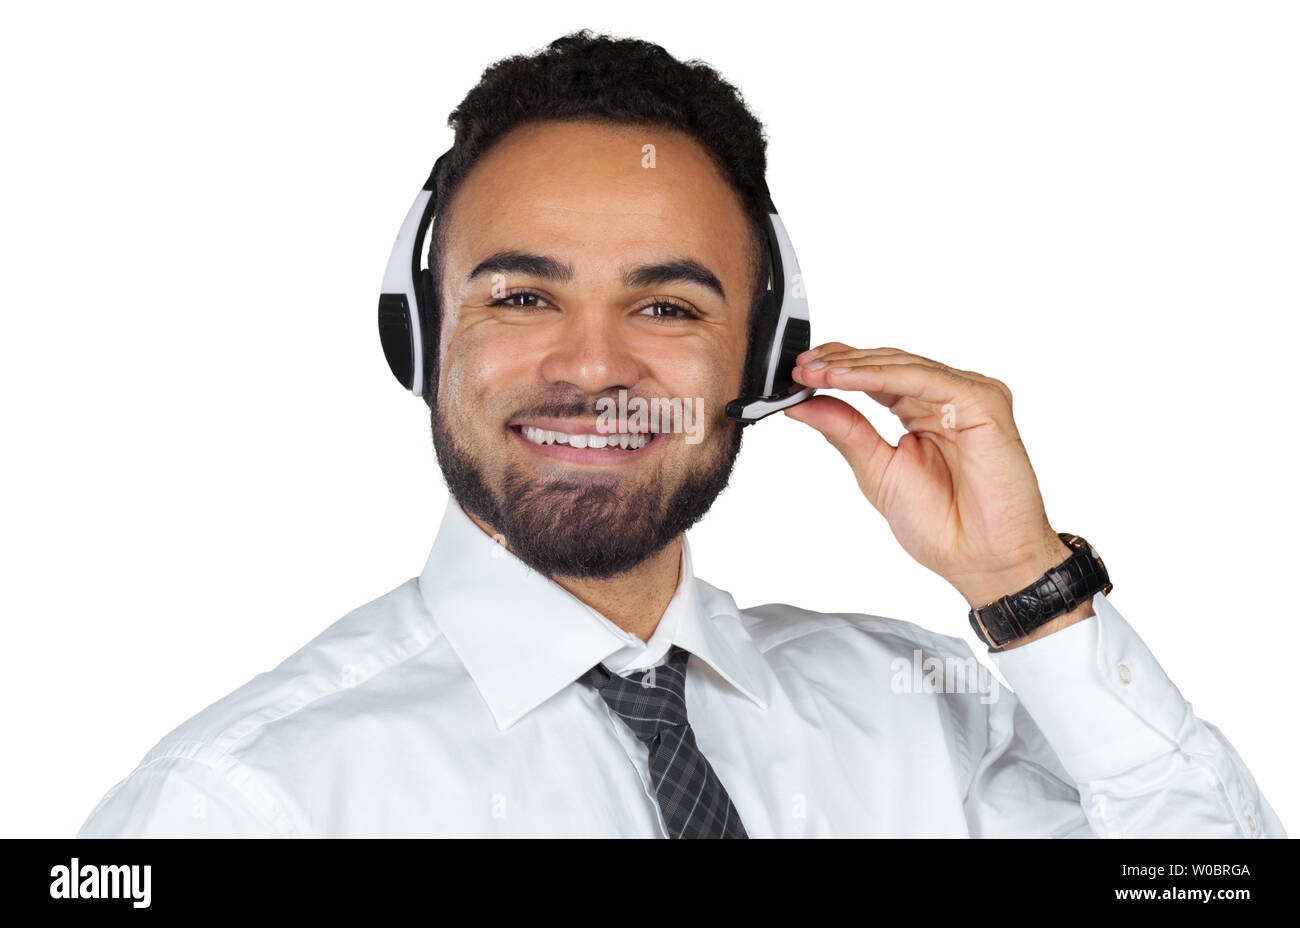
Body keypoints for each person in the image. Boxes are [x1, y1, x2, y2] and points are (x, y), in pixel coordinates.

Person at [78, 30, 1283, 838]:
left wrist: (1025, 587)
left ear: (759, 357)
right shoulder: (242, 802)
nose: (593, 368)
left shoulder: (926, 715)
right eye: (520, 295)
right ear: (417, 337)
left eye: (665, 305)